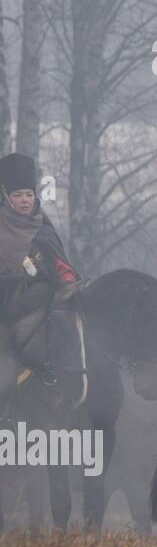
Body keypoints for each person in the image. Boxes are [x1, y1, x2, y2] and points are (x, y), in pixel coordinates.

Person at [0, 152, 80, 387]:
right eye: (18, 195)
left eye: (28, 194)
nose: (25, 200)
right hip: (3, 296)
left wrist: (68, 280)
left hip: (37, 299)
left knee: (56, 307)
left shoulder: (43, 227)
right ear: (6, 196)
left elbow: (59, 262)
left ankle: (48, 365)